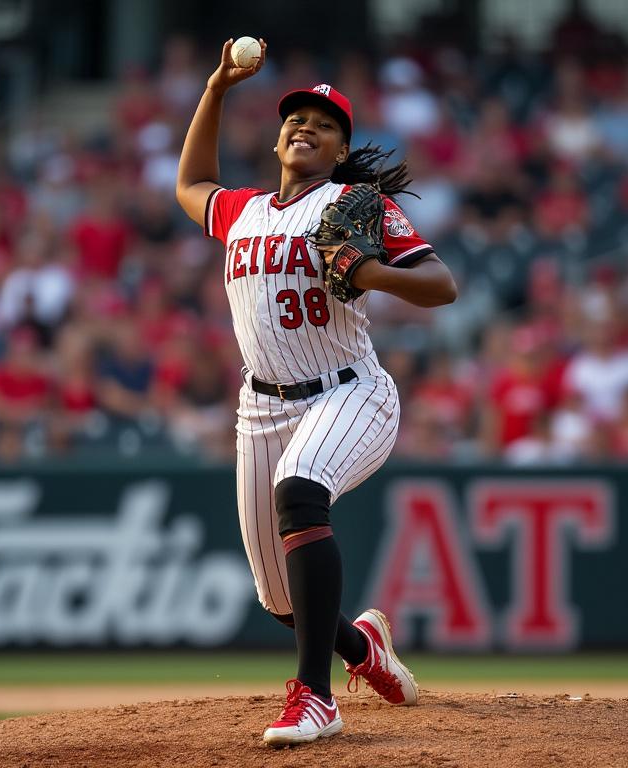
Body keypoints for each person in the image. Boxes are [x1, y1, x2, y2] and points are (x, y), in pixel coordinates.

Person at [175, 40, 457, 746]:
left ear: (339, 149)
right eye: (297, 118)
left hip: (351, 391)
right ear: (278, 137)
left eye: (325, 124)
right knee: (280, 598)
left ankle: (316, 698)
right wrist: (215, 88)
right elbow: (190, 184)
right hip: (261, 404)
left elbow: (440, 284)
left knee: (301, 491)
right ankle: (364, 650)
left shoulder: (355, 203)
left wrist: (370, 271)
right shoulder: (243, 210)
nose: (307, 126)